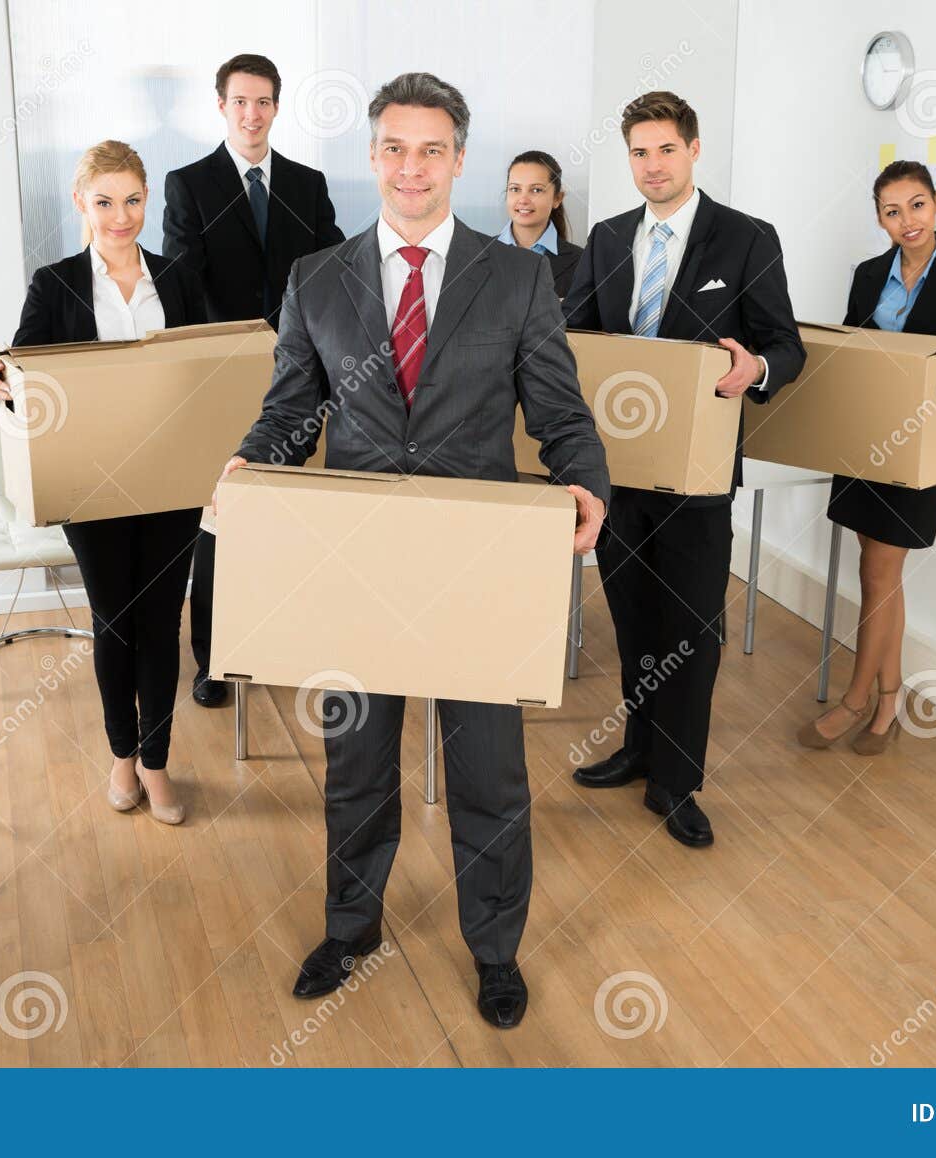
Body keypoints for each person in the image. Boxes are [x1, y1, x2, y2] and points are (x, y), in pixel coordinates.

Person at [215, 73, 609, 1028]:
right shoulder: (317, 277)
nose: (412, 167)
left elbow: (558, 412)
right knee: (355, 766)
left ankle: (495, 949)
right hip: (359, 558)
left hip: (477, 558)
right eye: (394, 147)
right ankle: (350, 928)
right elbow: (292, 411)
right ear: (374, 157)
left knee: (489, 771)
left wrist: (586, 478)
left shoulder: (518, 278)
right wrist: (246, 466)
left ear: (460, 159)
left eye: (432, 149)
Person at [562, 91, 805, 848]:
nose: (652, 165)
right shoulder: (604, 240)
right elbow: (575, 341)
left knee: (692, 629)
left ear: (694, 150)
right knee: (632, 618)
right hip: (619, 472)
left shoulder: (746, 239)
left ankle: (677, 780)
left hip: (697, 480)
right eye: (639, 152)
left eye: (666, 149)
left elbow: (786, 346)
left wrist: (755, 367)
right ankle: (639, 747)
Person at [0, 140, 208, 826]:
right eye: (105, 201)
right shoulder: (58, 283)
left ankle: (157, 765)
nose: (121, 215)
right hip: (91, 483)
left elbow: (208, 372)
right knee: (116, 624)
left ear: (147, 199)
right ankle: (121, 756)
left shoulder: (179, 279)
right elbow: (16, 369)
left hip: (169, 481)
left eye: (133, 199)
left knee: (161, 622)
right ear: (82, 203)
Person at [797, 160, 936, 754]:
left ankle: (855, 700)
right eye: (893, 210)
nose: (907, 220)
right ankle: (889, 697)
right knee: (882, 575)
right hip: (865, 440)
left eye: (916, 205)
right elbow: (851, 353)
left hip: (922, 445)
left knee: (878, 572)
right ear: (880, 218)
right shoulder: (867, 276)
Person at [163, 52, 346, 709]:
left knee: (299, 514)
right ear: (221, 105)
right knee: (223, 516)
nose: (252, 113)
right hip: (225, 374)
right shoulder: (189, 184)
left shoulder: (307, 182)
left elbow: (338, 264)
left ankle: (292, 641)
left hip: (304, 374)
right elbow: (182, 280)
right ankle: (215, 659)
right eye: (240, 101)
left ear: (276, 106)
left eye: (263, 101)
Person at [496, 150, 582, 297]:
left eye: (536, 190)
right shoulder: (479, 254)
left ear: (557, 199)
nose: (523, 199)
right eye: (515, 189)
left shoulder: (582, 262)